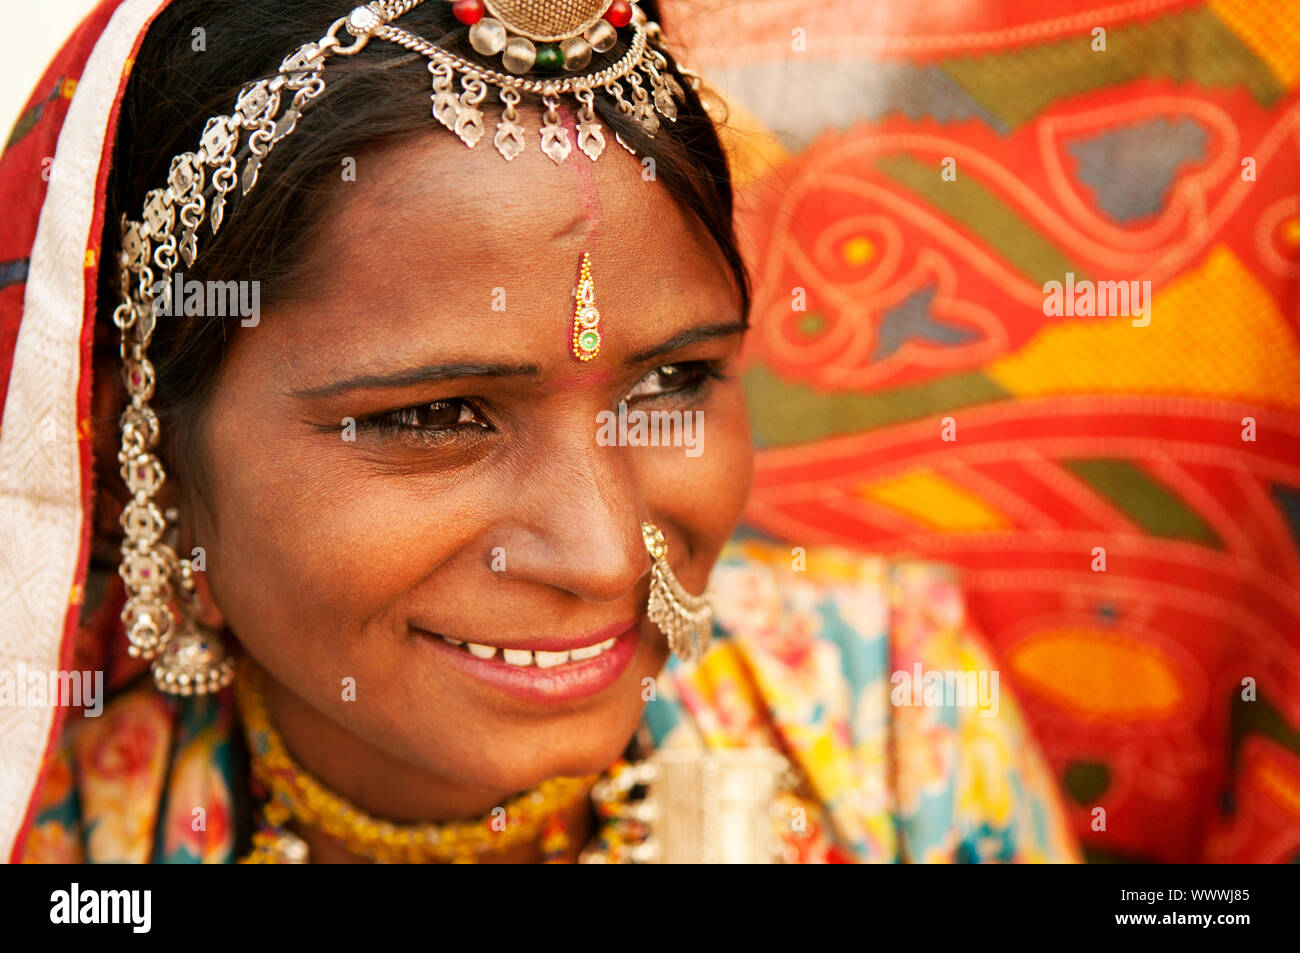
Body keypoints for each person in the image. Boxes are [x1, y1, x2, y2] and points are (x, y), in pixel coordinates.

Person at [2, 0, 1079, 863]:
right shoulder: (49, 814)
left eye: (673, 379)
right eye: (434, 416)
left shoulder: (889, 715)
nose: (606, 555)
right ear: (136, 442)